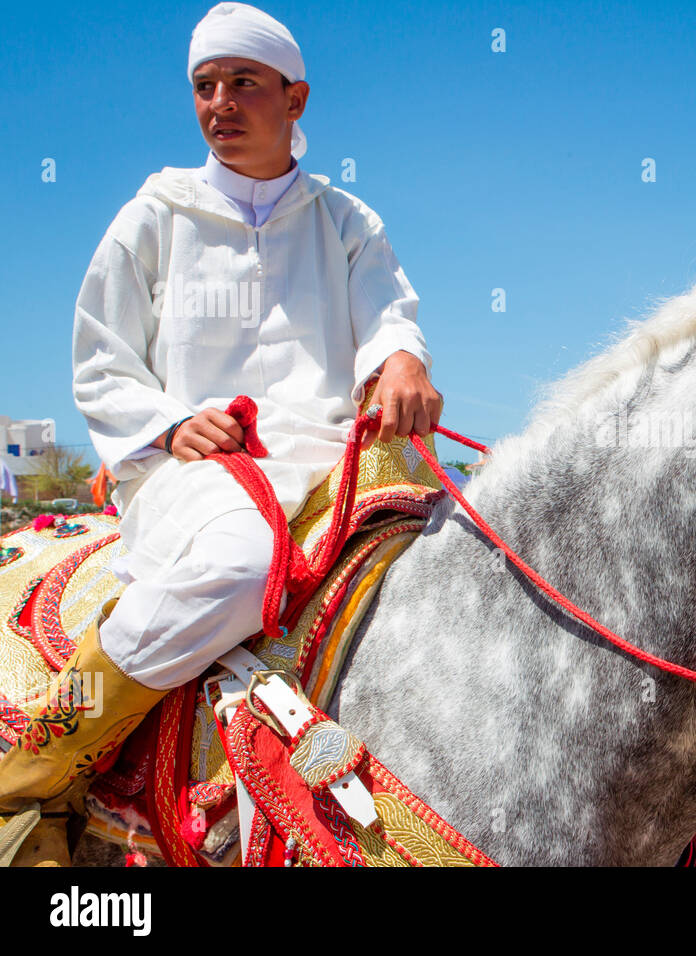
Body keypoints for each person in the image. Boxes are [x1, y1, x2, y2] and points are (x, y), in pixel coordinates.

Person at [0, 2, 441, 866]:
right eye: (206, 87)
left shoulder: (346, 219)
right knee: (241, 562)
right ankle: (37, 767)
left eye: (245, 83)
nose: (221, 103)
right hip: (197, 470)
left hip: (327, 462)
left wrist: (398, 359)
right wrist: (167, 422)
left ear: (296, 98)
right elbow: (101, 360)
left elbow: (389, 314)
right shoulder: (154, 215)